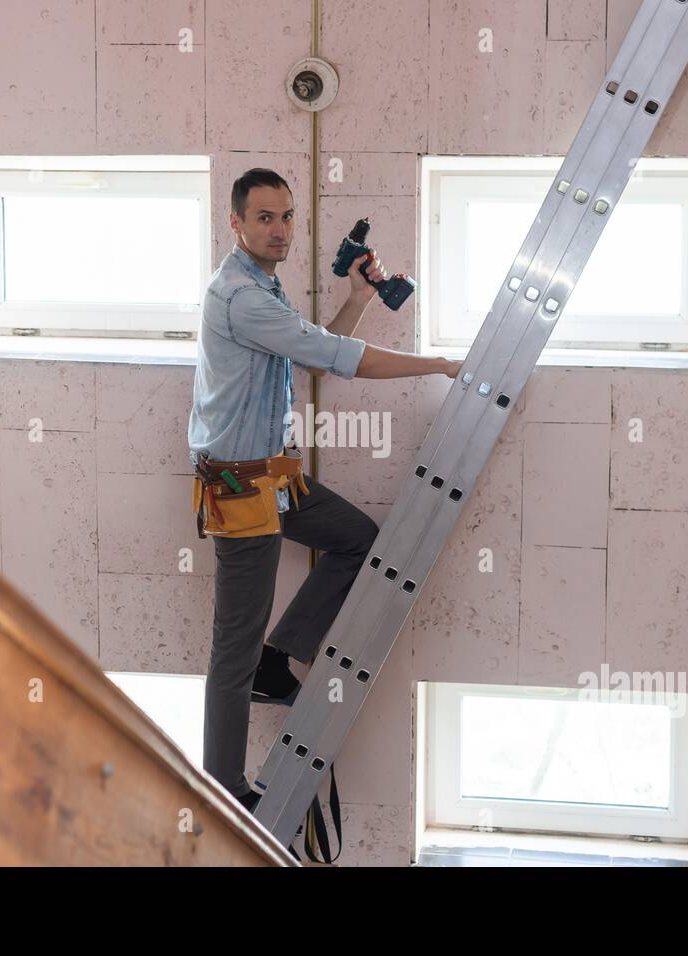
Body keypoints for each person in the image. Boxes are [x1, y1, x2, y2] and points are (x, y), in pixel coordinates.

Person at [188, 167, 461, 812]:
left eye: (286, 216)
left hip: (271, 471)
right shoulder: (241, 298)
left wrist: (358, 296)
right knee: (233, 646)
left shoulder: (264, 285)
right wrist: (444, 365)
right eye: (264, 218)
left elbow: (313, 352)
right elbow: (345, 361)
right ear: (235, 222)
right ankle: (222, 788)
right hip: (238, 481)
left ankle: (278, 659)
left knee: (358, 540)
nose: (280, 230)